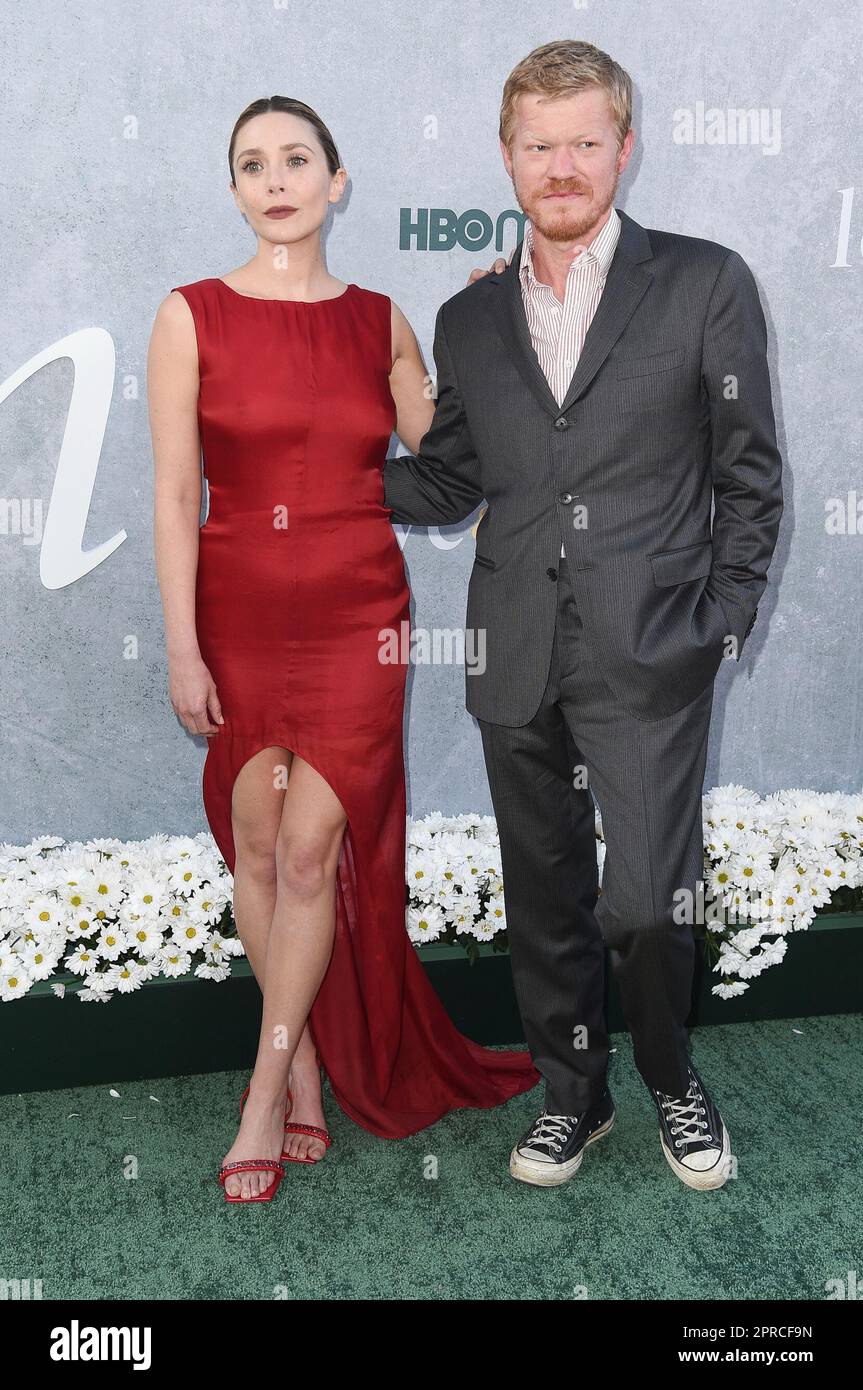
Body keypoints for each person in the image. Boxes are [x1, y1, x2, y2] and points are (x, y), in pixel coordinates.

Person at [383, 39, 783, 1190]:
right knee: (543, 896)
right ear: (506, 156)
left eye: (582, 143)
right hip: (513, 648)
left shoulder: (704, 282)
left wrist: (717, 618)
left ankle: (668, 1075)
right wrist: (315, 480)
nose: (559, 167)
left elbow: (749, 475)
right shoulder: (468, 318)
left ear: (623, 146)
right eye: (537, 145)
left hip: (651, 649)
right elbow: (451, 480)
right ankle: (573, 1095)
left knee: (648, 902)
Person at [147, 96, 539, 1203]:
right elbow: (176, 496)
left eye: (296, 160)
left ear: (337, 180)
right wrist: (181, 647)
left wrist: (494, 333)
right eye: (252, 164)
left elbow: (451, 464)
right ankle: (306, 1060)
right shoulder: (189, 316)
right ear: (234, 189)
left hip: (358, 616)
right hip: (235, 614)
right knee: (259, 848)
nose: (275, 181)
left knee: (312, 852)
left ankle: (264, 1090)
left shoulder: (378, 322)